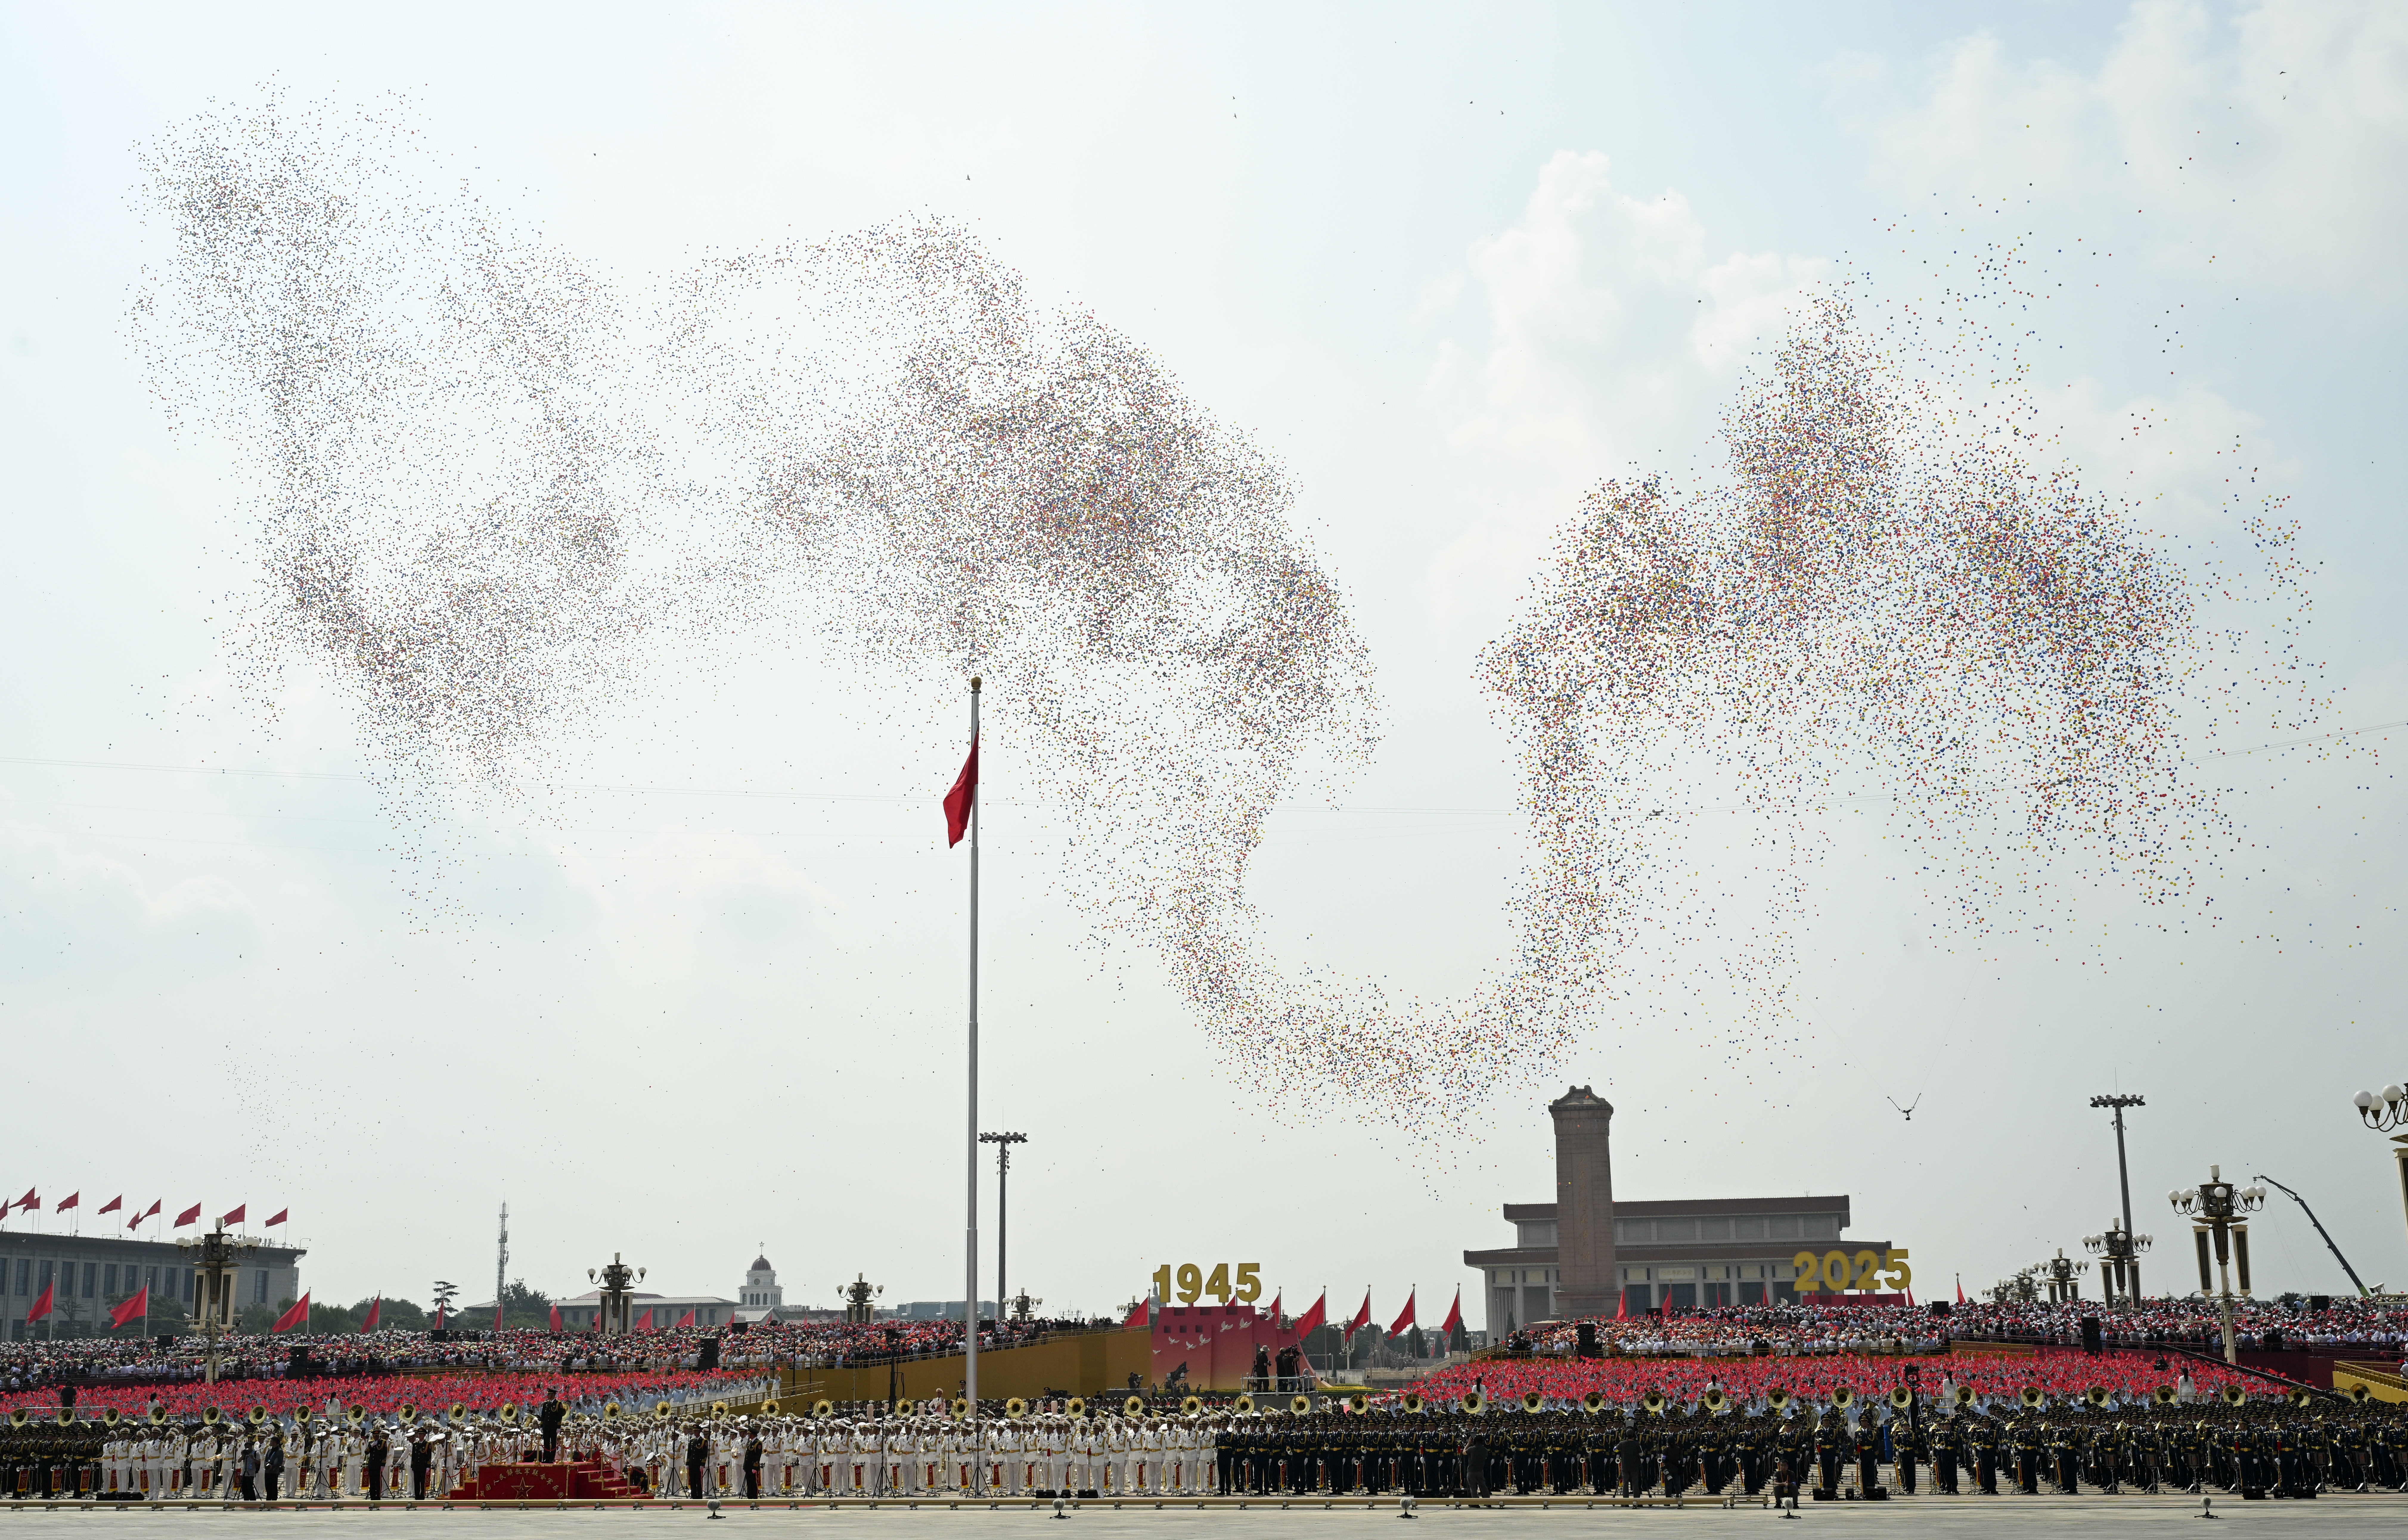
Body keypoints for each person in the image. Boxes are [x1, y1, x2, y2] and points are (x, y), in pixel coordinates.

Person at [539, 1391, 566, 1463]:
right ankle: (546, 1458)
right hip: (546, 1426)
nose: (548, 1395)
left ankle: (552, 1458)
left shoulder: (558, 1404)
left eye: (549, 1394)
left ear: (553, 1395)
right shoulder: (546, 1404)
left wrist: (559, 1427)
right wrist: (542, 1426)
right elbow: (543, 1415)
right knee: (546, 1443)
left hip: (553, 1427)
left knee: (554, 1443)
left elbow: (559, 1416)